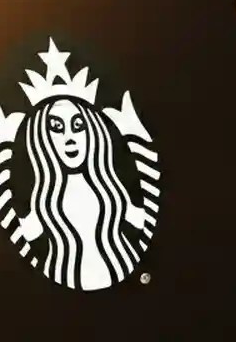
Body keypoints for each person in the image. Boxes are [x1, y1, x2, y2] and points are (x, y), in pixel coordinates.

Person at [16, 97, 148, 290]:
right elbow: (29, 236)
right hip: (63, 283)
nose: (69, 137)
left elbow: (139, 221)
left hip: (125, 270)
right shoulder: (44, 198)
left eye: (78, 126)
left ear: (92, 131)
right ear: (43, 138)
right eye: (56, 127)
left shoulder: (111, 187)